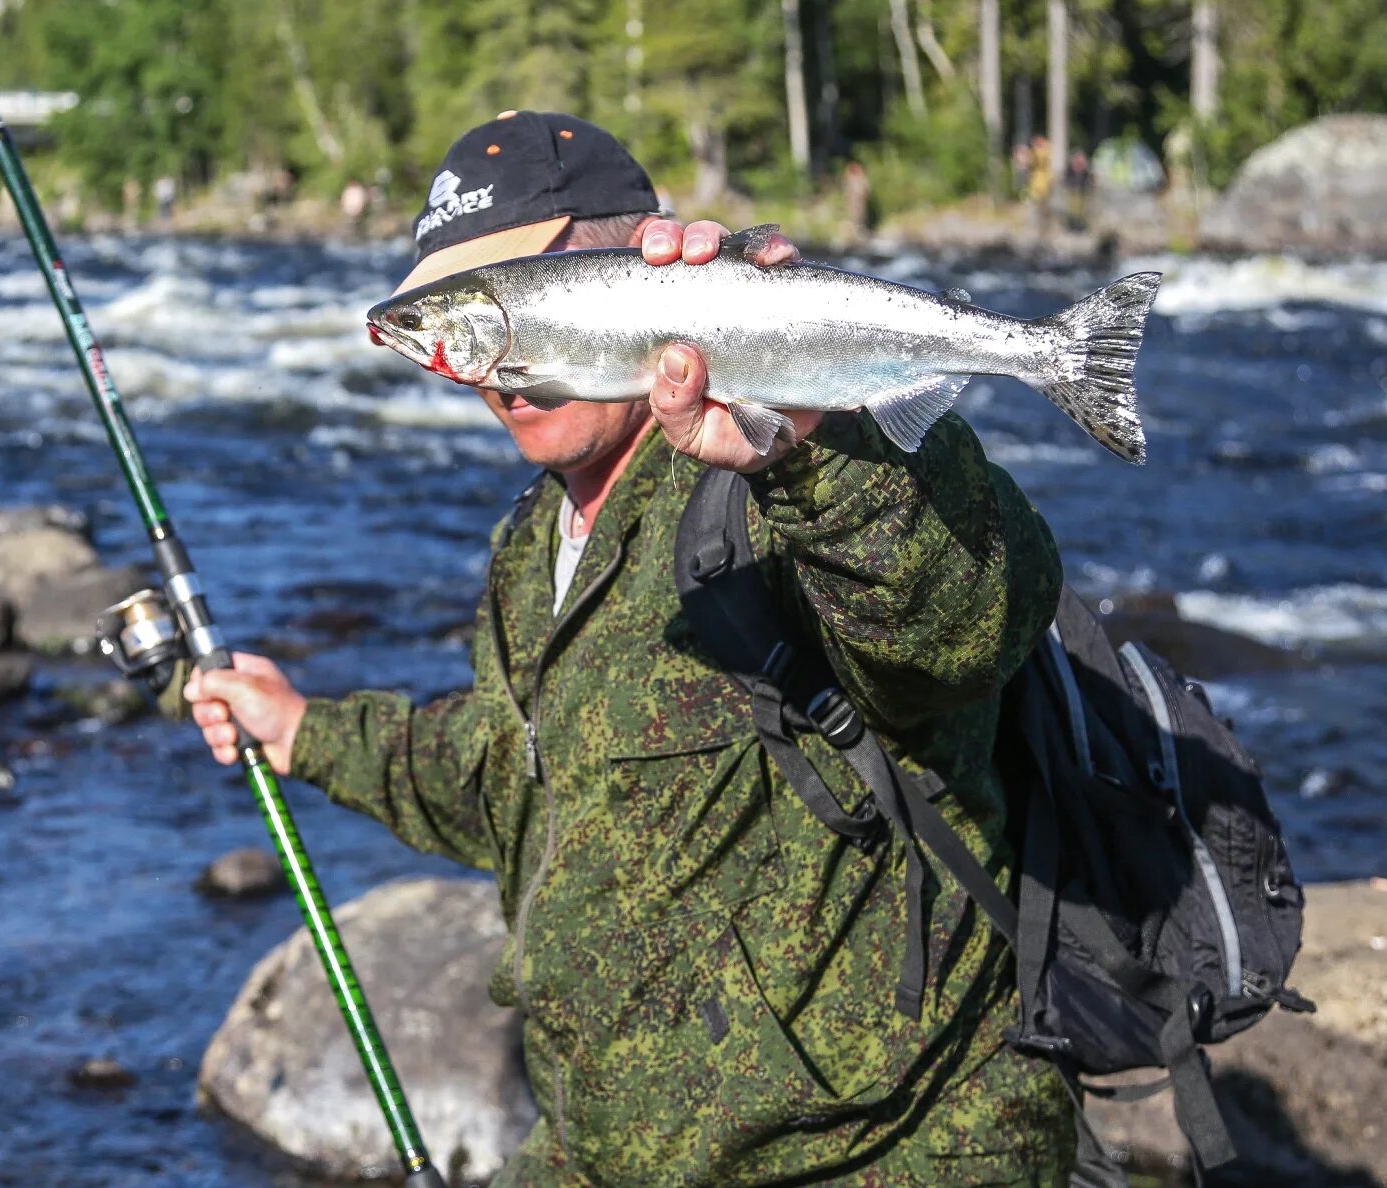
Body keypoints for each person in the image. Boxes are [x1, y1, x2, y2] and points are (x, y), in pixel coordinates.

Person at [186, 111, 1073, 1184]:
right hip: (602, 1149)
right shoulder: (531, 548)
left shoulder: (785, 471)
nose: (489, 369)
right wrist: (307, 733)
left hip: (880, 1153)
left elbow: (961, 625)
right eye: (463, 321)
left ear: (624, 264)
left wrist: (806, 432)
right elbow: (518, 776)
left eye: (511, 294)